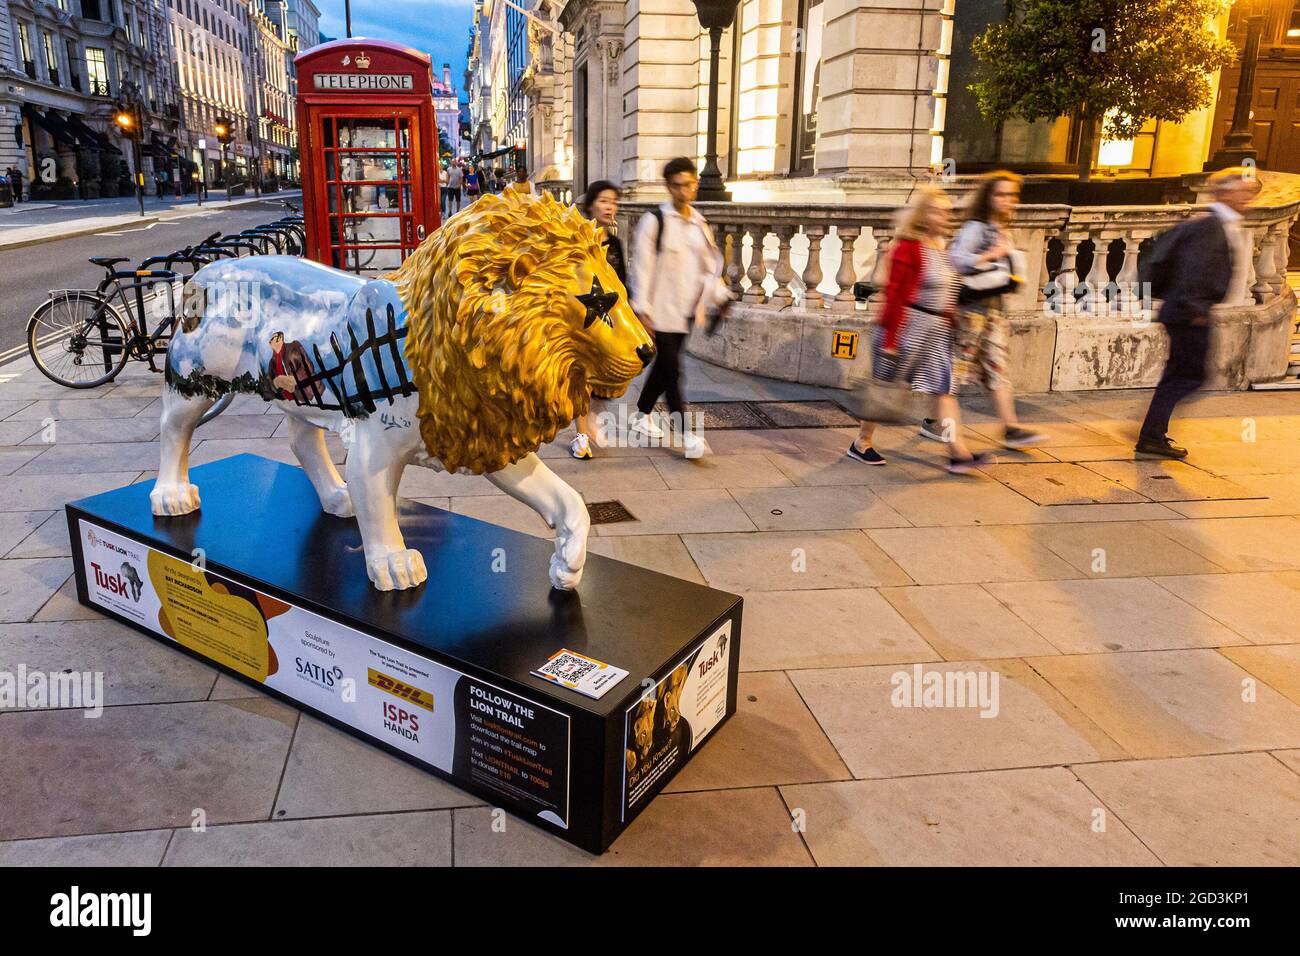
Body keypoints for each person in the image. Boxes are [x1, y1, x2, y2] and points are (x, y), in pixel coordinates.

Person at [848, 185, 994, 474]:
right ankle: (861, 443)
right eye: (937, 211)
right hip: (905, 327)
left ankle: (958, 452)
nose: (944, 216)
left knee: (944, 391)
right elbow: (895, 296)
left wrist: (956, 328)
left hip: (937, 331)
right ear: (922, 214)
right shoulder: (907, 246)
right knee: (885, 388)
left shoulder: (943, 246)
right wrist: (890, 339)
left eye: (946, 211)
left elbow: (949, 293)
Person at [1136, 166, 1259, 459]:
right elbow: (1194, 271)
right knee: (1191, 377)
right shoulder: (1210, 227)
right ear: (1225, 192)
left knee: (1178, 374)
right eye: (1244, 192)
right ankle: (1151, 433)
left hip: (1184, 311)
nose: (1248, 199)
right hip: (1190, 313)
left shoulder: (1214, 224)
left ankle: (1151, 434)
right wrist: (1196, 311)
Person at [628, 157, 734, 459]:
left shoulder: (699, 224)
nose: (683, 191)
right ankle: (686, 435)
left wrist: (721, 296)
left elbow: (708, 269)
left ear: (695, 184)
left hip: (687, 311)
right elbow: (642, 268)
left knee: (664, 369)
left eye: (688, 185)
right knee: (674, 372)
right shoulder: (655, 221)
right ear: (668, 187)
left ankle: (642, 413)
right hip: (660, 311)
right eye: (676, 186)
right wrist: (642, 307)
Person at [942, 171, 1046, 448]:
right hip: (971, 313)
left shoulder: (1000, 228)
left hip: (993, 313)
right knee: (952, 376)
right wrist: (992, 254)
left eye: (1012, 195)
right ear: (988, 197)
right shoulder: (976, 227)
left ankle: (1010, 428)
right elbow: (956, 259)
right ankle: (941, 428)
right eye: (1001, 194)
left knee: (997, 371)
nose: (1008, 200)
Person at [569, 180, 629, 460]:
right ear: (592, 204)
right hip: (584, 318)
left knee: (605, 376)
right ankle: (581, 435)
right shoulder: (576, 240)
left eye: (613, 202)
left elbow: (623, 284)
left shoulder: (615, 243)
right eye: (604, 201)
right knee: (581, 378)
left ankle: (593, 417)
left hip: (609, 321)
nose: (609, 207)